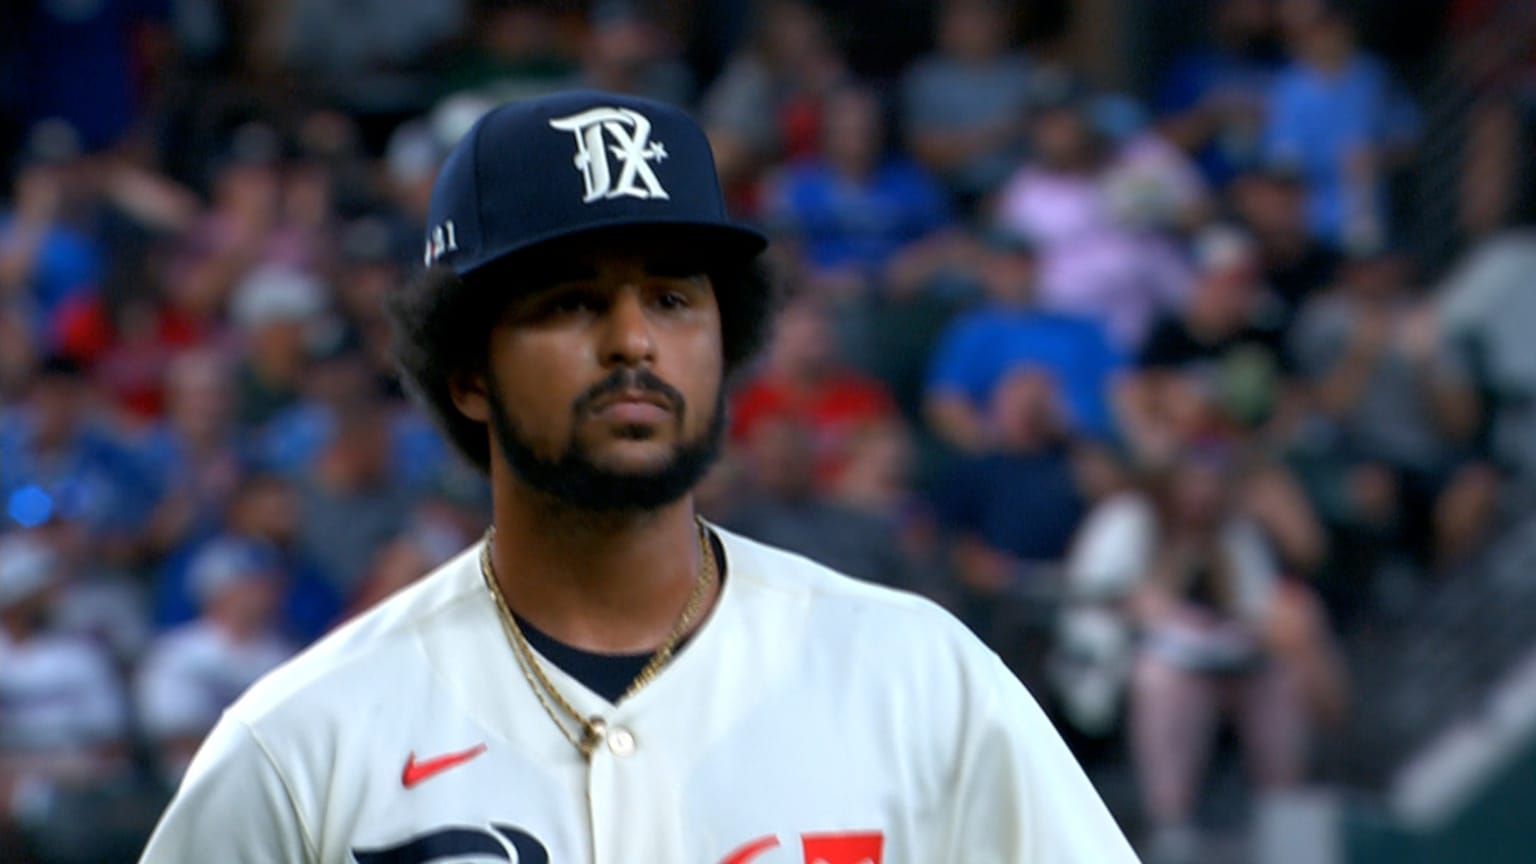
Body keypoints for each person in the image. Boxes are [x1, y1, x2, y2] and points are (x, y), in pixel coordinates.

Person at [139, 89, 1137, 863]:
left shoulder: (922, 678)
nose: (633, 342)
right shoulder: (300, 742)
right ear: (469, 374)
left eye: (670, 297)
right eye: (573, 302)